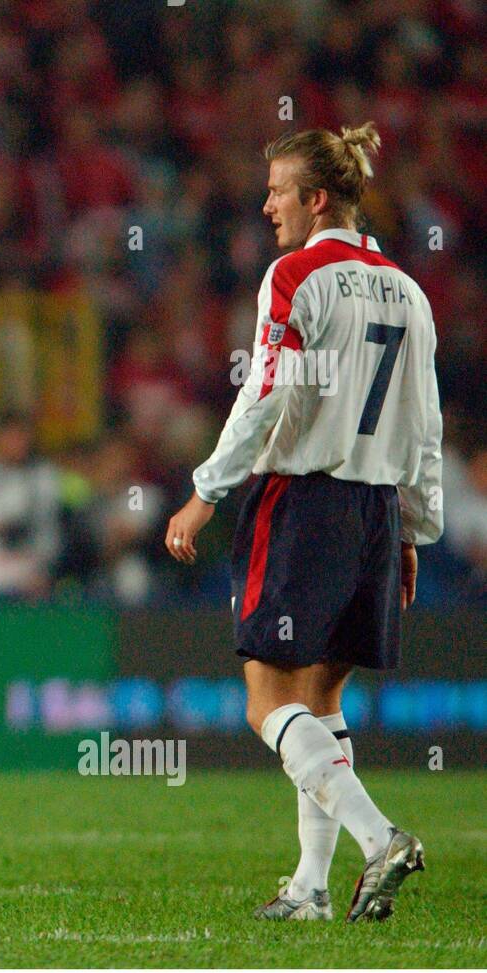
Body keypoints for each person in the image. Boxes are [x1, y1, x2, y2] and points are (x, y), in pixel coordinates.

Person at [164, 123, 441, 923]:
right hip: (377, 510)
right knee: (321, 701)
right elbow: (426, 429)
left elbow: (268, 393)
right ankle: (310, 890)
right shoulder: (409, 291)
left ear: (316, 199)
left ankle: (380, 837)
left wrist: (206, 490)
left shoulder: (297, 275)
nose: (267, 204)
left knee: (267, 701)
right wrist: (416, 531)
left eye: (278, 190)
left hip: (308, 500)